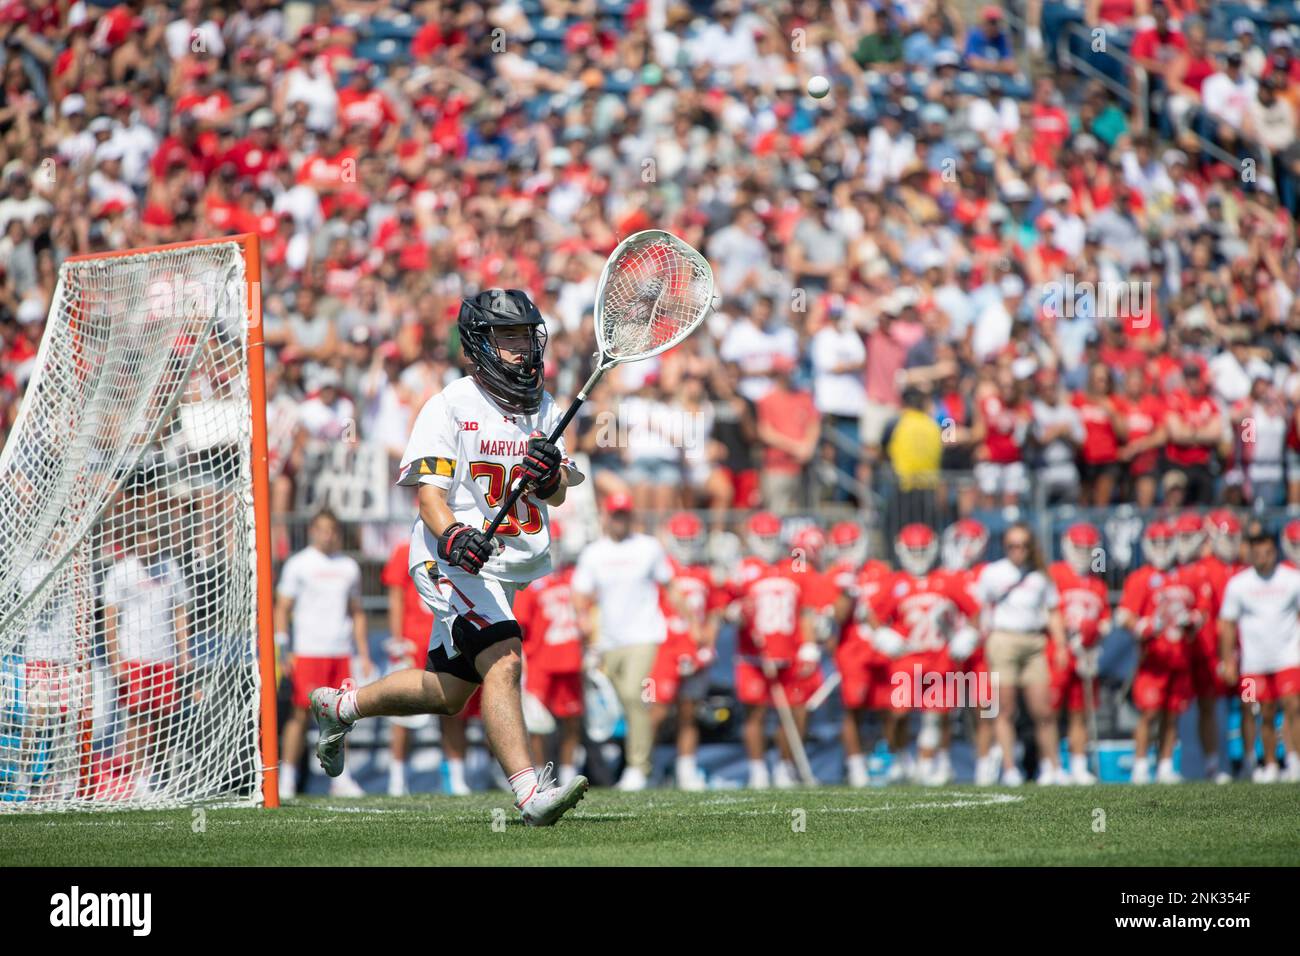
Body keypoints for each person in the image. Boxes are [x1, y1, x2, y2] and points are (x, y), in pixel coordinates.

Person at [307, 289, 589, 827]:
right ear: (479, 343)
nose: (522, 349)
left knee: (448, 693)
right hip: (449, 559)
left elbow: (556, 495)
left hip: (506, 564)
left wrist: (548, 474)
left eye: (526, 336)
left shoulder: (543, 405)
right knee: (505, 657)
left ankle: (340, 708)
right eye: (508, 338)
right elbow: (430, 497)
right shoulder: (449, 406)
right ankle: (530, 796)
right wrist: (456, 535)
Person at [571, 491, 678, 792]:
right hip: (608, 641)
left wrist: (691, 623)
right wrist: (584, 622)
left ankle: (638, 767)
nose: (620, 520)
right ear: (606, 516)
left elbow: (670, 586)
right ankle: (611, 766)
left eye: (624, 514)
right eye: (615, 514)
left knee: (634, 695)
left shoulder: (648, 547)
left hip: (644, 635)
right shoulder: (594, 552)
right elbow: (580, 593)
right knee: (614, 706)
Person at [870, 524, 980, 785]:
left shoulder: (946, 580)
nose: (918, 555)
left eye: (922, 549)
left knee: (937, 716)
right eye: (913, 550)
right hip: (907, 658)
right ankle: (900, 758)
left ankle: (931, 762)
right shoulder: (895, 583)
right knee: (898, 713)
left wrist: (967, 636)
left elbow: (974, 612)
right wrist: (883, 635)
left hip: (940, 657)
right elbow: (873, 614)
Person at [276, 508, 369, 800]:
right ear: (312, 530)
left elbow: (357, 613)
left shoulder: (349, 567)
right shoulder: (298, 564)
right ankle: (287, 779)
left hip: (340, 651)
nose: (326, 535)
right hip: (308, 651)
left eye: (332, 529)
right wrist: (283, 648)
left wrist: (363, 653)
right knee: (300, 714)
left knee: (342, 716)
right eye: (321, 529)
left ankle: (340, 779)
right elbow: (282, 608)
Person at [728, 511, 821, 789]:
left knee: (795, 711)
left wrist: (808, 646)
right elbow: (728, 606)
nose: (768, 542)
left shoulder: (795, 567)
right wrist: (735, 613)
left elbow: (806, 611)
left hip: (788, 653)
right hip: (753, 655)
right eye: (763, 537)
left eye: (771, 536)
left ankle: (784, 767)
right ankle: (758, 770)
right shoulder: (742, 569)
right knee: (755, 714)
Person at [975, 523, 1068, 786]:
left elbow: (1053, 611)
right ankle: (1009, 768)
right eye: (1013, 545)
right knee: (1005, 709)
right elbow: (981, 608)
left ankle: (1053, 766)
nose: (1018, 551)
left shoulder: (1040, 576)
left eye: (1023, 545)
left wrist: (1060, 644)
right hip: (1003, 639)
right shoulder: (993, 573)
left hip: (1033, 642)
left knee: (1043, 709)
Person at [1123, 519, 1208, 784]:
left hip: (1180, 656)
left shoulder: (1190, 575)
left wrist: (1191, 620)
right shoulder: (1141, 578)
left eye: (1166, 542)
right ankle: (1140, 764)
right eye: (1156, 543)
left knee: (1173, 715)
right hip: (1154, 659)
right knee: (1149, 713)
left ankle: (1165, 764)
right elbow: (1125, 616)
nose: (1161, 548)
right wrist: (1146, 625)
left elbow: (1202, 613)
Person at [649, 512, 726, 790]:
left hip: (696, 649)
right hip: (666, 647)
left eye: (690, 539)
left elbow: (717, 608)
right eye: (682, 539)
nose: (686, 545)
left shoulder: (705, 573)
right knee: (655, 713)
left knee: (688, 712)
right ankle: (643, 767)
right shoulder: (662, 570)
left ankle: (686, 767)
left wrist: (710, 634)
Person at [1219, 521, 1300, 783]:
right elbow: (1228, 624)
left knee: (1292, 705)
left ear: (1274, 551)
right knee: (1257, 710)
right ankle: (1264, 762)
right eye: (1255, 550)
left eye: (1264, 550)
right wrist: (1228, 659)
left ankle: (1295, 760)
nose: (1260, 556)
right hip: (1252, 664)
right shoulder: (1238, 584)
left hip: (1287, 658)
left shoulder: (1292, 580)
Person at [513, 520, 584, 787]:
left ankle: (569, 774)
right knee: (536, 725)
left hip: (571, 658)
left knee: (572, 720)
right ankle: (541, 776)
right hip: (540, 661)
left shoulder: (574, 578)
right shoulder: (529, 583)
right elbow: (520, 626)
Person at [829, 520, 895, 788]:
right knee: (853, 708)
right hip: (852, 649)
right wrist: (846, 590)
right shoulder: (833, 574)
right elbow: (838, 616)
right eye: (843, 546)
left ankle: (889, 757)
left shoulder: (882, 570)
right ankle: (855, 764)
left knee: (890, 708)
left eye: (851, 545)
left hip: (880, 647)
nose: (848, 551)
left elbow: (892, 610)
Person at [1047, 523, 1111, 785]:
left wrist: (1094, 645)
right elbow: (1046, 613)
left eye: (1089, 549)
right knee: (1049, 711)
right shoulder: (1054, 574)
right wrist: (1065, 640)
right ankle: (1050, 765)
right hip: (1058, 652)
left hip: (1085, 655)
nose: (1084, 553)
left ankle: (1078, 764)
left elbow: (1105, 620)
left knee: (1079, 711)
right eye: (1079, 547)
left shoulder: (1097, 585)